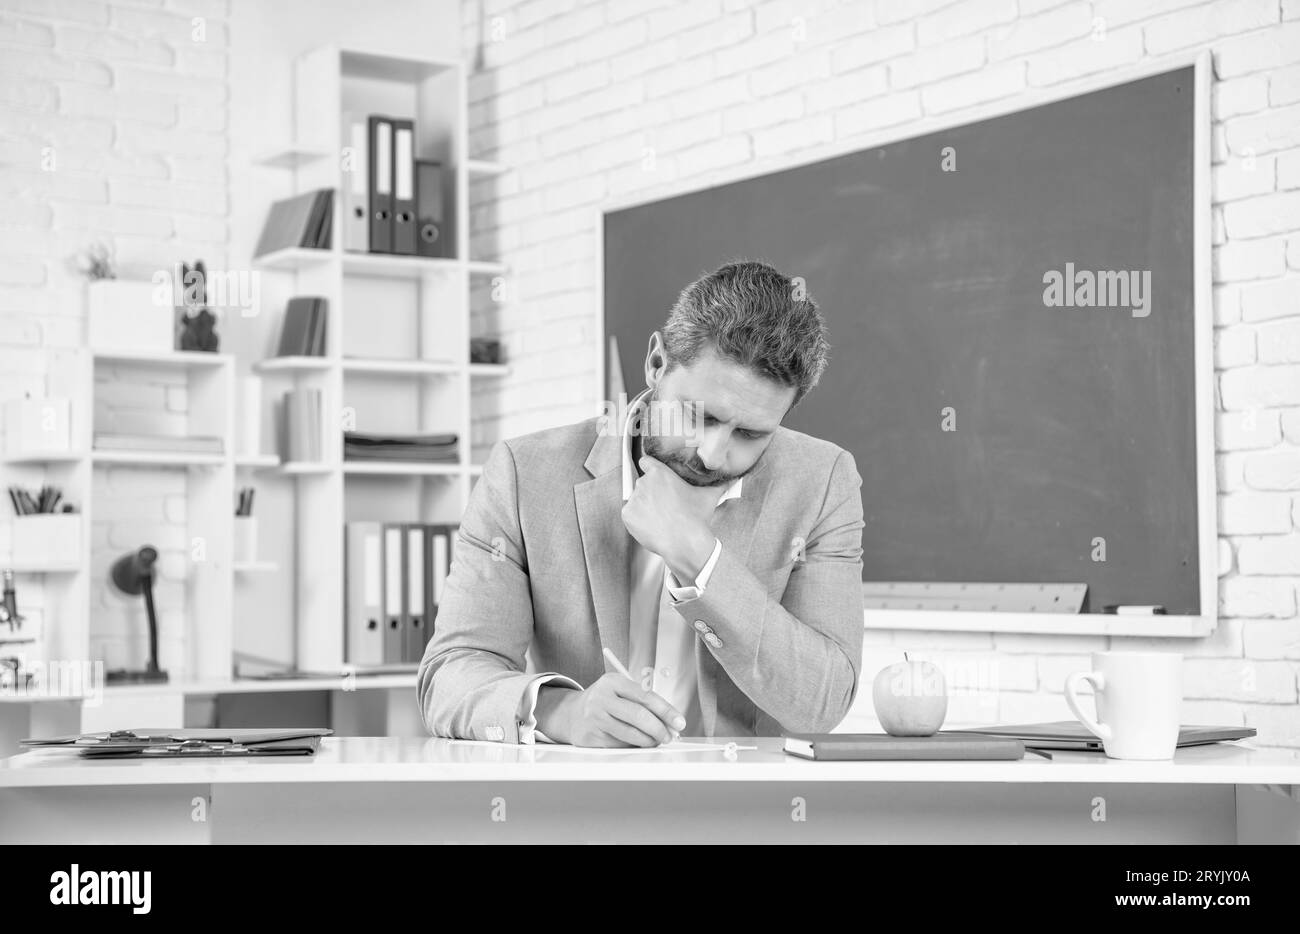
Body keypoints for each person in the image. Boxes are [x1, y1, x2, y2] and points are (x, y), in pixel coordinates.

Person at [418, 260, 865, 746]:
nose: (713, 454)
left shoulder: (822, 481)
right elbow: (449, 676)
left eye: (751, 434)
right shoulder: (524, 474)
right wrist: (563, 712)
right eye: (700, 416)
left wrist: (697, 555)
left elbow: (823, 703)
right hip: (583, 805)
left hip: (747, 811)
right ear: (656, 363)